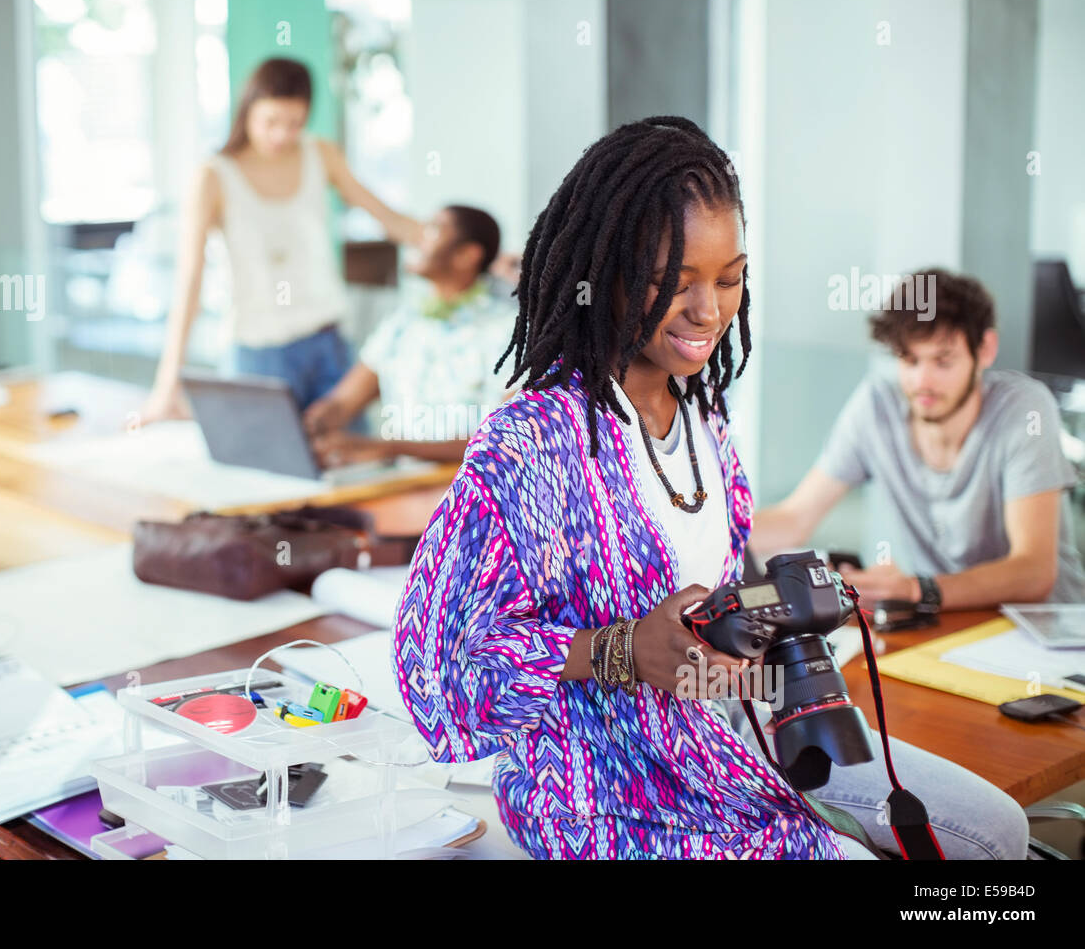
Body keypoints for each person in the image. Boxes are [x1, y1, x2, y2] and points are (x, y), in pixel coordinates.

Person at [390, 117, 1028, 860]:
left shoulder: (705, 417)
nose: (709, 312)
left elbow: (710, 606)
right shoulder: (532, 440)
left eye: (730, 279)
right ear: (609, 272)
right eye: (676, 283)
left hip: (728, 726)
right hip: (603, 782)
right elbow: (439, 666)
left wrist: (761, 637)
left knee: (998, 835)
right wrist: (618, 650)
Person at [750, 269, 1085, 609]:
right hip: (946, 628)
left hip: (1049, 636)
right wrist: (711, 538)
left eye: (942, 361)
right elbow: (794, 519)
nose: (922, 381)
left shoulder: (1024, 409)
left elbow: (1033, 573)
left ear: (985, 350)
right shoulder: (877, 406)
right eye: (910, 360)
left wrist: (915, 590)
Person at [142, 57, 424, 422]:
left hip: (329, 345)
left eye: (295, 123)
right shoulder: (213, 177)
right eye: (270, 122)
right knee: (266, 473)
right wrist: (167, 383)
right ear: (247, 111)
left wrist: (478, 250)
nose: (282, 135)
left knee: (356, 466)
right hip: (258, 352)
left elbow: (390, 219)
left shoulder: (320, 153)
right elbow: (190, 280)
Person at [302, 205, 515, 467]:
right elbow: (342, 402)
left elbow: (505, 440)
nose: (418, 238)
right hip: (399, 486)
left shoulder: (507, 330)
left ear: (466, 255)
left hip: (467, 494)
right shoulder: (402, 323)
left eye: (434, 230)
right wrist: (314, 423)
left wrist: (391, 448)